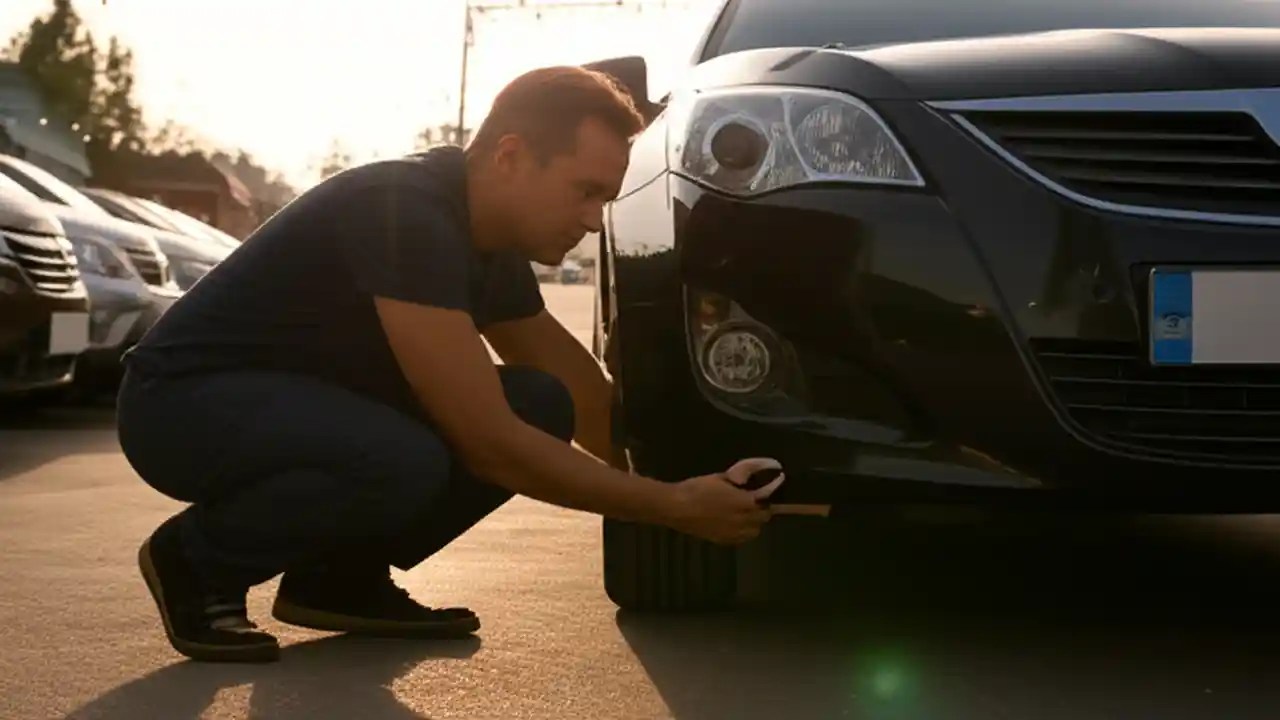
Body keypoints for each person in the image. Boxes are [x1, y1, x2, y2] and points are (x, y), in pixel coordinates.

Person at [116, 65, 785, 664]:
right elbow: (491, 446)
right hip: (181, 407)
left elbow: (582, 397)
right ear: (511, 156)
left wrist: (707, 482)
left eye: (604, 200)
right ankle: (196, 560)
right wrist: (670, 506)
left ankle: (338, 579)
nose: (592, 221)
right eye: (584, 192)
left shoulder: (489, 243)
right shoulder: (405, 211)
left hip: (300, 410)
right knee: (404, 454)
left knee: (540, 402)